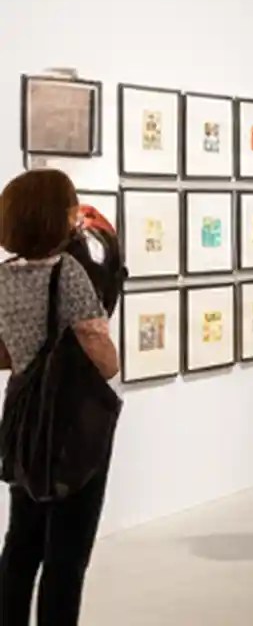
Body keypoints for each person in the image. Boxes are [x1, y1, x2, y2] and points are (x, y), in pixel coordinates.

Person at [0, 169, 121, 624]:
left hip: (22, 416)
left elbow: (7, 353)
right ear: (60, 216)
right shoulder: (69, 272)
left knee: (21, 542)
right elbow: (102, 353)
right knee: (67, 552)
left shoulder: (3, 277)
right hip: (71, 419)